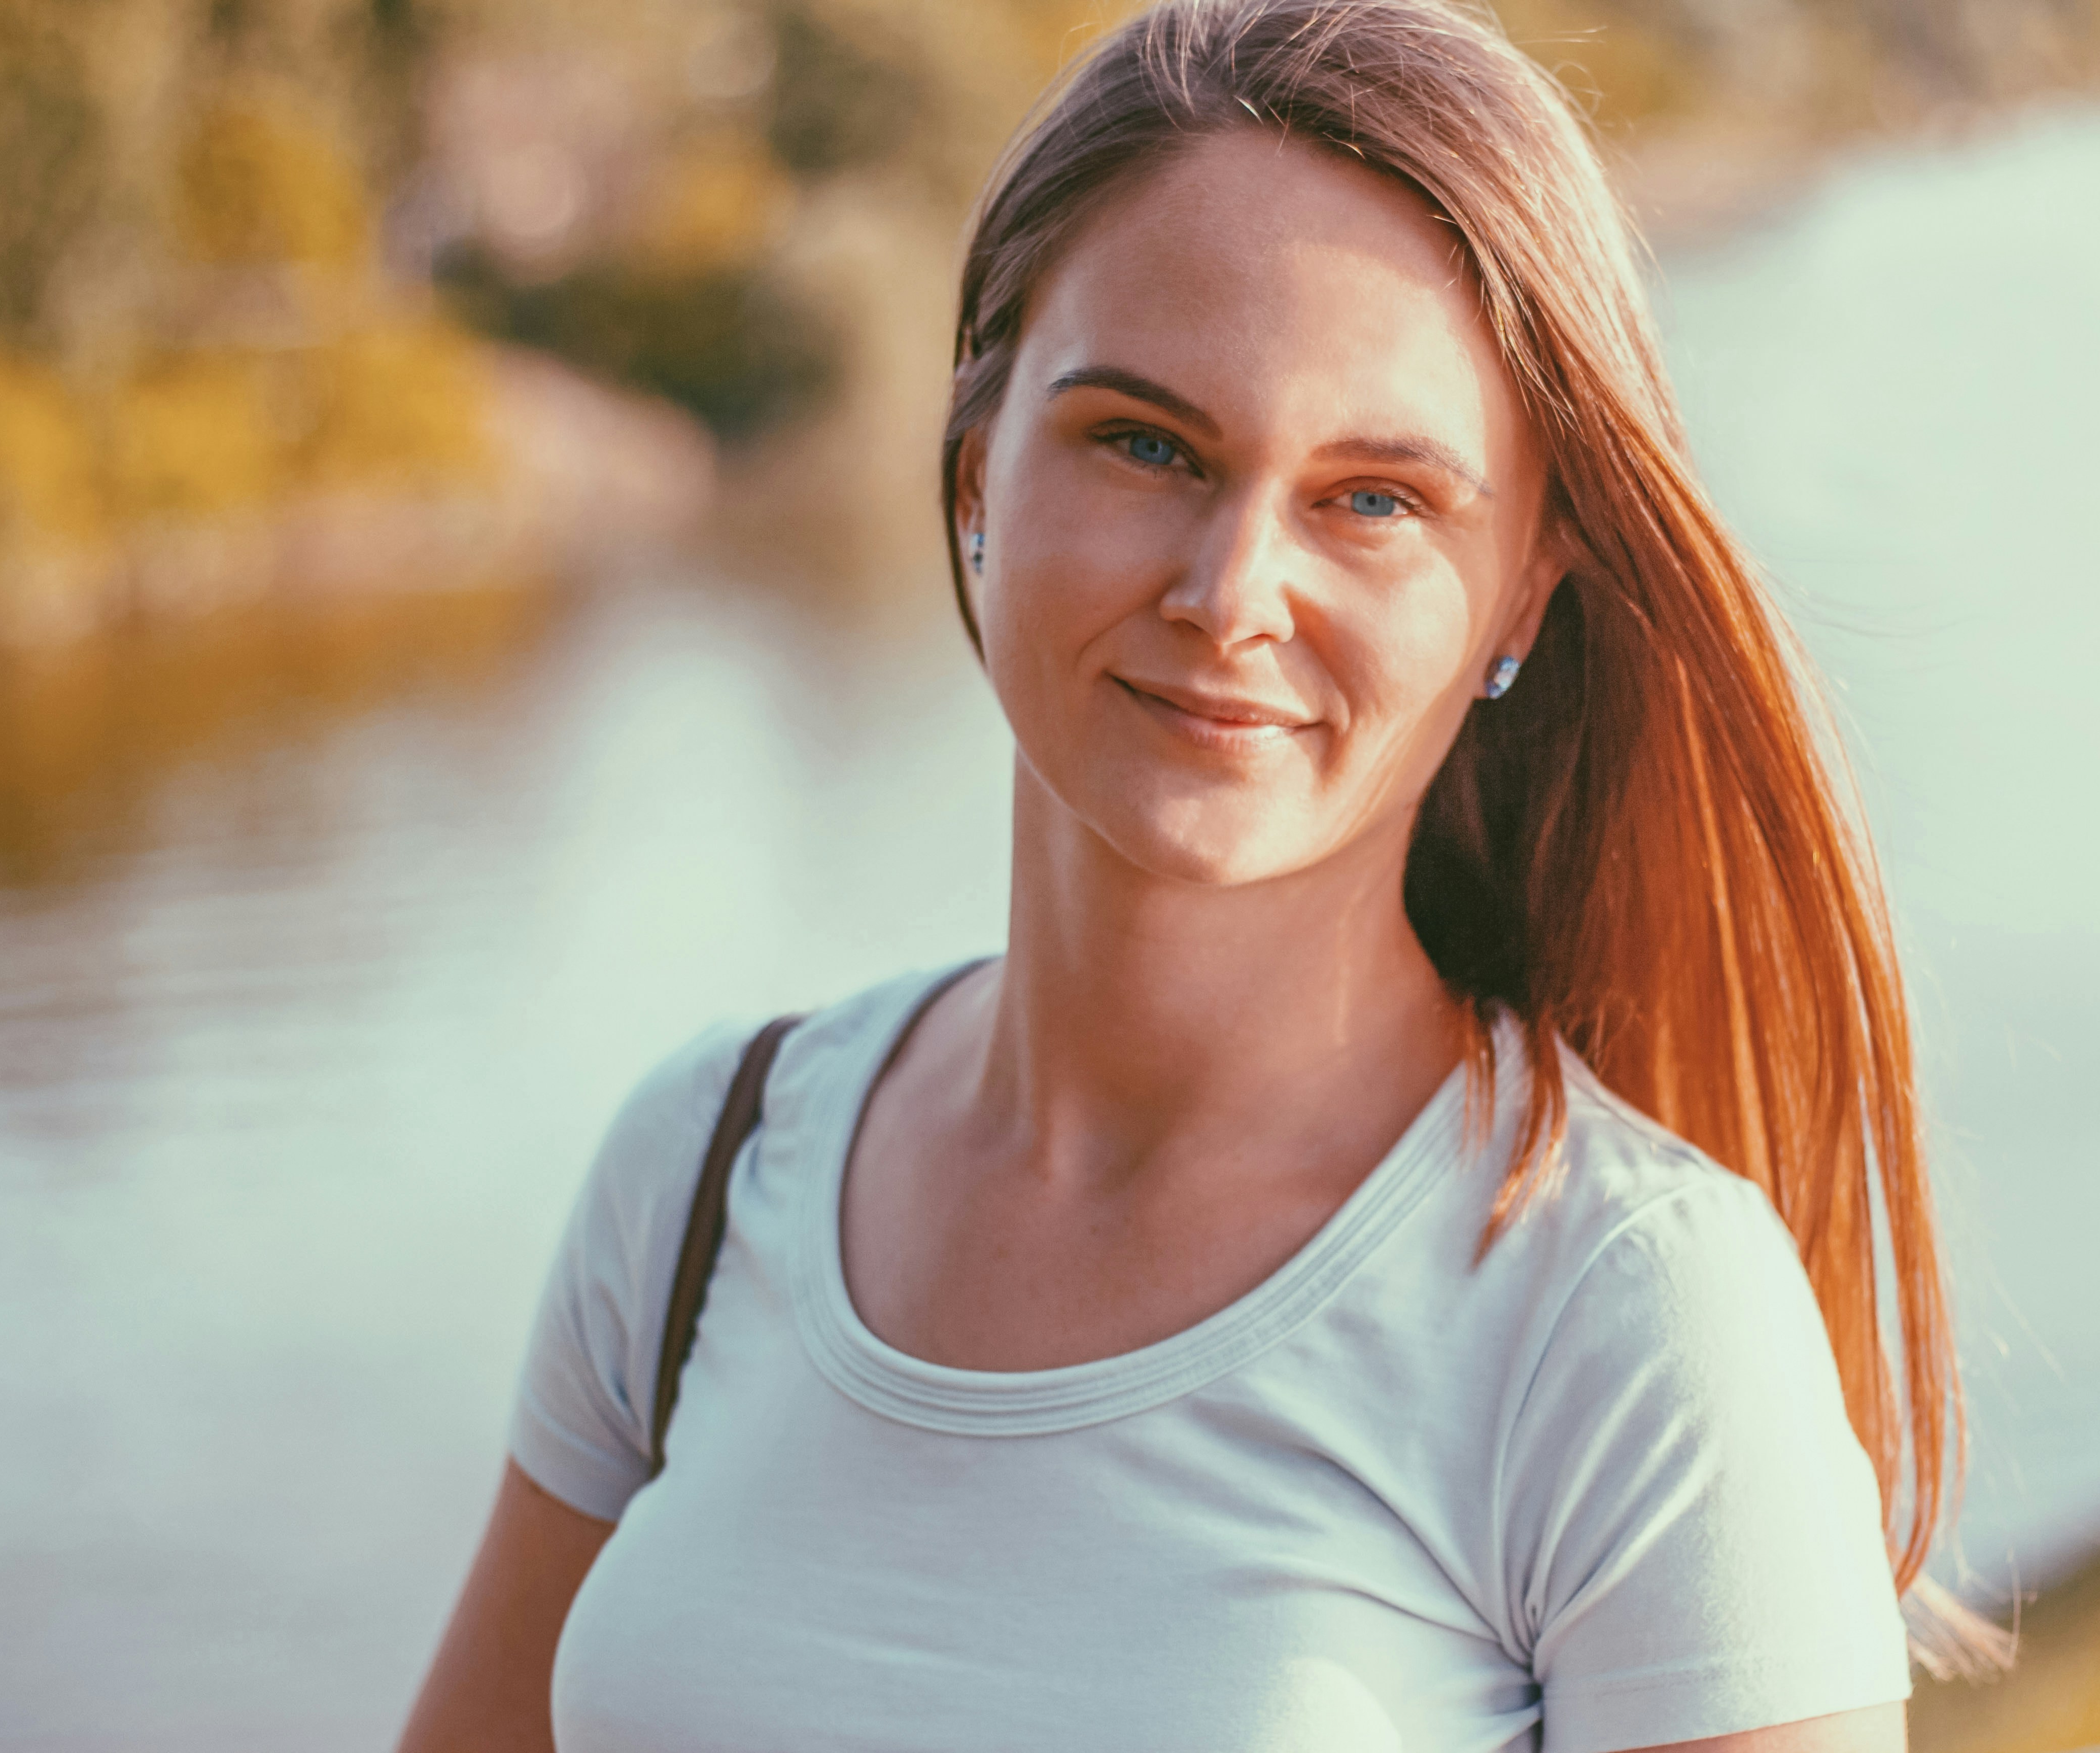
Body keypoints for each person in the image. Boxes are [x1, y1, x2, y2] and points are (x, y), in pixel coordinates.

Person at [399, 2, 2000, 1747]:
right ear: (972, 477)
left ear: (1525, 591)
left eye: (1375, 499)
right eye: (1148, 445)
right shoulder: (705, 1168)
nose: (1232, 592)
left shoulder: (1632, 1324)